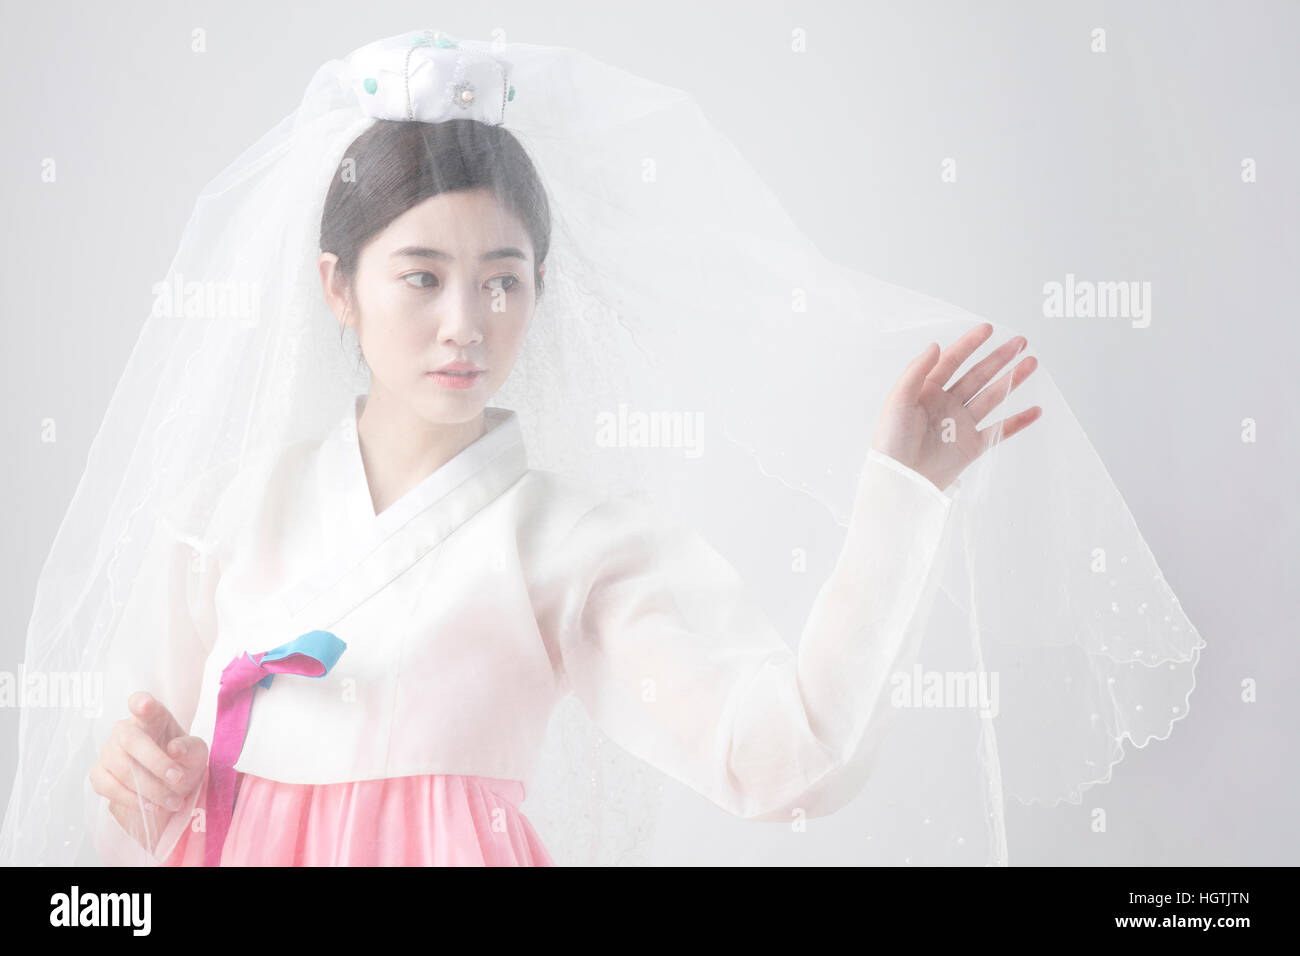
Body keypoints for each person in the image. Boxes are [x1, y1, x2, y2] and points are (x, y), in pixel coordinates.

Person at [1, 29, 1201, 867]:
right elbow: (138, 854)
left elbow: (784, 760)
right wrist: (136, 785)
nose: (466, 322)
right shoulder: (225, 513)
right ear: (338, 287)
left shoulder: (572, 542)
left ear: (539, 289)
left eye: (502, 279)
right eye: (420, 276)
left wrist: (900, 499)